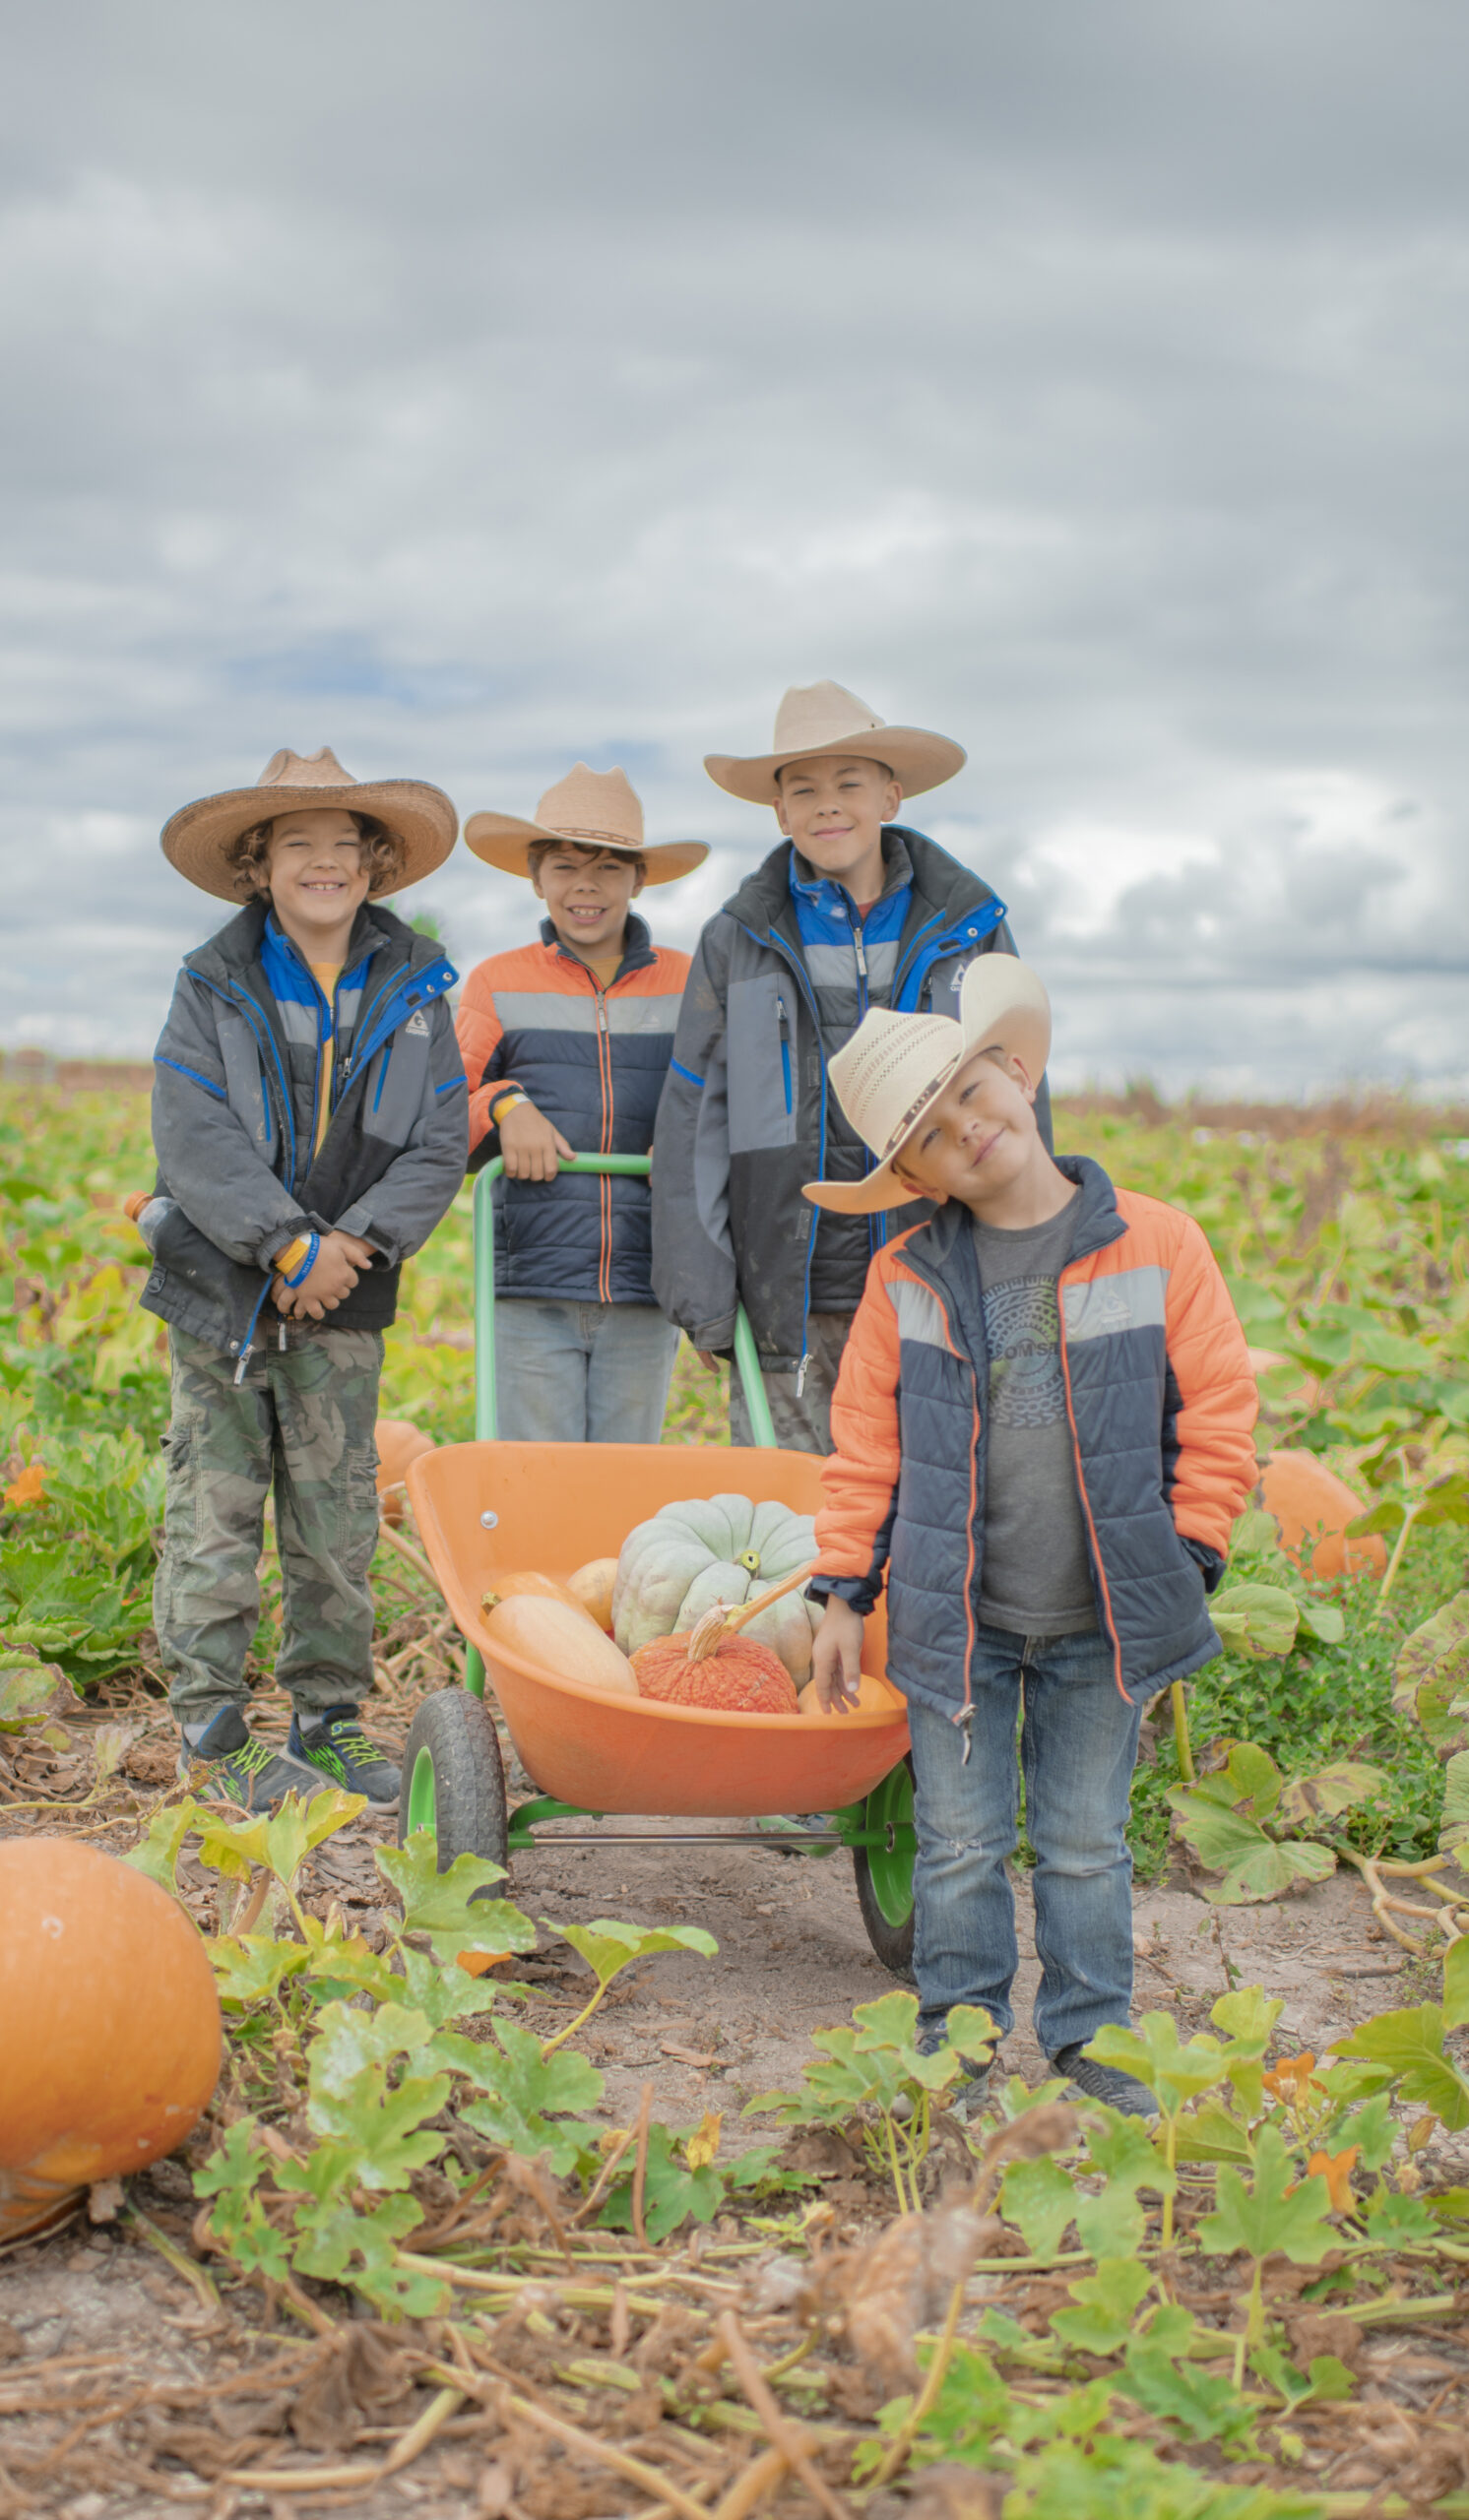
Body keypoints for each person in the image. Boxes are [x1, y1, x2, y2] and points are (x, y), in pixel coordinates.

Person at [803, 960, 1257, 2110]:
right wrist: (843, 1587)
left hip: (1102, 1617)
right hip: (959, 1622)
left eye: (968, 1092)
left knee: (1083, 1844)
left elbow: (1216, 1408)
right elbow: (865, 1441)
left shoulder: (1156, 1242)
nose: (966, 1129)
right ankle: (956, 2038)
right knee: (958, 1847)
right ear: (909, 1173)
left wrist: (1192, 1547)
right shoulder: (905, 1276)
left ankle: (1091, 2040)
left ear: (1010, 1070)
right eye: (929, 1134)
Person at [138, 746, 468, 1812]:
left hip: (347, 1298)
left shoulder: (417, 989)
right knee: (216, 1509)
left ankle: (327, 1719)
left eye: (343, 845)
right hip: (226, 1292)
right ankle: (211, 1728)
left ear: (373, 865)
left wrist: (350, 1248)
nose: (323, 862)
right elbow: (193, 1135)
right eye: (298, 846)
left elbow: (438, 1140)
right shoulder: (212, 984)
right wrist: (285, 1245)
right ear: (257, 867)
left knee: (335, 1523)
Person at [653, 679, 1043, 1453]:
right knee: (792, 1515)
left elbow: (1019, 1096)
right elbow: (695, 1111)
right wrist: (701, 1291)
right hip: (785, 1291)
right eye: (804, 790)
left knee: (931, 1492)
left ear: (891, 796)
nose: (827, 804)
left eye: (849, 783)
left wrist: (1026, 1259)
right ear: (780, 814)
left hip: (938, 1270)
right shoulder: (738, 939)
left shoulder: (968, 927)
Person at [457, 766, 706, 1441]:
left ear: (639, 879)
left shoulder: (691, 982)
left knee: (624, 1484)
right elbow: (442, 1106)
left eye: (607, 868)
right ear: (536, 879)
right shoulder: (496, 983)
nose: (585, 886)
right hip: (529, 1285)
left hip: (645, 1281)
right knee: (538, 1482)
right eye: (564, 866)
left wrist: (687, 1140)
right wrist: (506, 1105)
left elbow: (722, 1101)